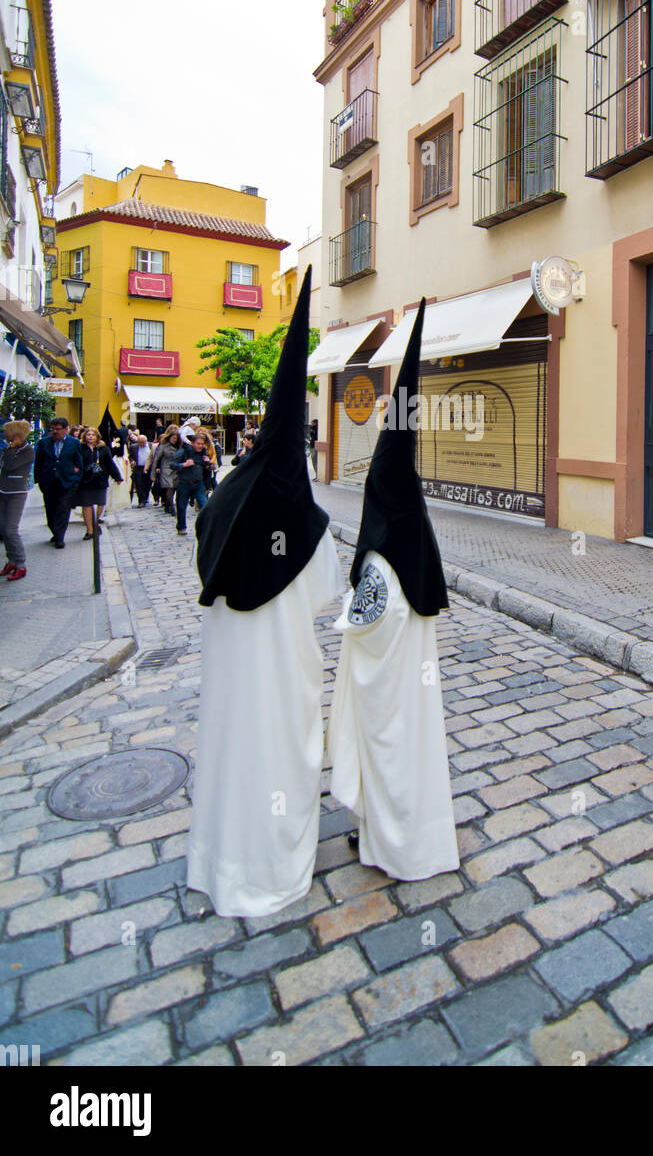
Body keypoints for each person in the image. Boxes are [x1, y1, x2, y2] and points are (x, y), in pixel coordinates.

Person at [187, 267, 344, 917]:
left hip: (228, 672)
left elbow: (205, 566)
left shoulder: (221, 499)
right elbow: (324, 600)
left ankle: (221, 863)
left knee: (229, 761)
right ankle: (270, 871)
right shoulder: (307, 526)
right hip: (278, 679)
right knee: (273, 762)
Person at [328, 299, 459, 882]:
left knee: (389, 751)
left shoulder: (380, 565)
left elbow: (362, 636)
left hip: (391, 701)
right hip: (416, 692)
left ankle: (389, 839)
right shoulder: (417, 544)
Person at [33, 416, 83, 549]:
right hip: (49, 481)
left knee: (63, 507)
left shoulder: (74, 443)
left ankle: (60, 537)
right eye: (53, 429)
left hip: (67, 481)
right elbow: (38, 462)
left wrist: (76, 478)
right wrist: (38, 480)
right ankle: (55, 532)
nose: (55, 432)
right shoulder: (44, 442)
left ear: (66, 429)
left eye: (58, 429)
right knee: (50, 509)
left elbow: (79, 462)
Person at [0, 420, 35, 581]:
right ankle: (11, 560)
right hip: (3, 490)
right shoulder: (8, 448)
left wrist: (10, 451)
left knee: (11, 529)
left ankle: (21, 564)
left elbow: (9, 466)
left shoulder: (27, 450)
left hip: (17, 492)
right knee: (3, 528)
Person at [77, 426, 123, 538]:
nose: (91, 437)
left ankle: (95, 521)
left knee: (100, 503)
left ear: (97, 436)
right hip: (85, 480)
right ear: (85, 436)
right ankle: (89, 530)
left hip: (100, 479)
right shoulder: (80, 448)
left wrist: (117, 476)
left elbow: (110, 463)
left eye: (93, 435)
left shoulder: (103, 449)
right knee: (86, 504)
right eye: (88, 435)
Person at [170, 432, 212, 534]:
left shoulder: (203, 452)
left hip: (198, 483)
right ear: (192, 443)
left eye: (202, 444)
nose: (200, 446)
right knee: (181, 507)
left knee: (204, 505)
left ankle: (205, 527)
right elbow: (172, 464)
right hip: (184, 483)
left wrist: (208, 463)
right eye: (198, 443)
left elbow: (208, 468)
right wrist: (184, 464)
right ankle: (181, 527)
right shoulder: (183, 452)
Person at [149, 424, 181, 516]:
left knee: (174, 488)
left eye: (176, 438)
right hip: (166, 470)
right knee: (169, 488)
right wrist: (153, 473)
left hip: (176, 470)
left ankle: (168, 503)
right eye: (173, 438)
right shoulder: (163, 446)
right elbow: (156, 459)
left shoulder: (179, 447)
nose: (175, 440)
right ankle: (171, 506)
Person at [129, 431, 152, 506]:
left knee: (148, 483)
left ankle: (145, 497)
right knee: (139, 484)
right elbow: (130, 456)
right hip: (138, 467)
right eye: (139, 442)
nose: (141, 444)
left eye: (143, 442)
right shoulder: (133, 447)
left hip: (149, 467)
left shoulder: (151, 446)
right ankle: (141, 500)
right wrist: (132, 461)